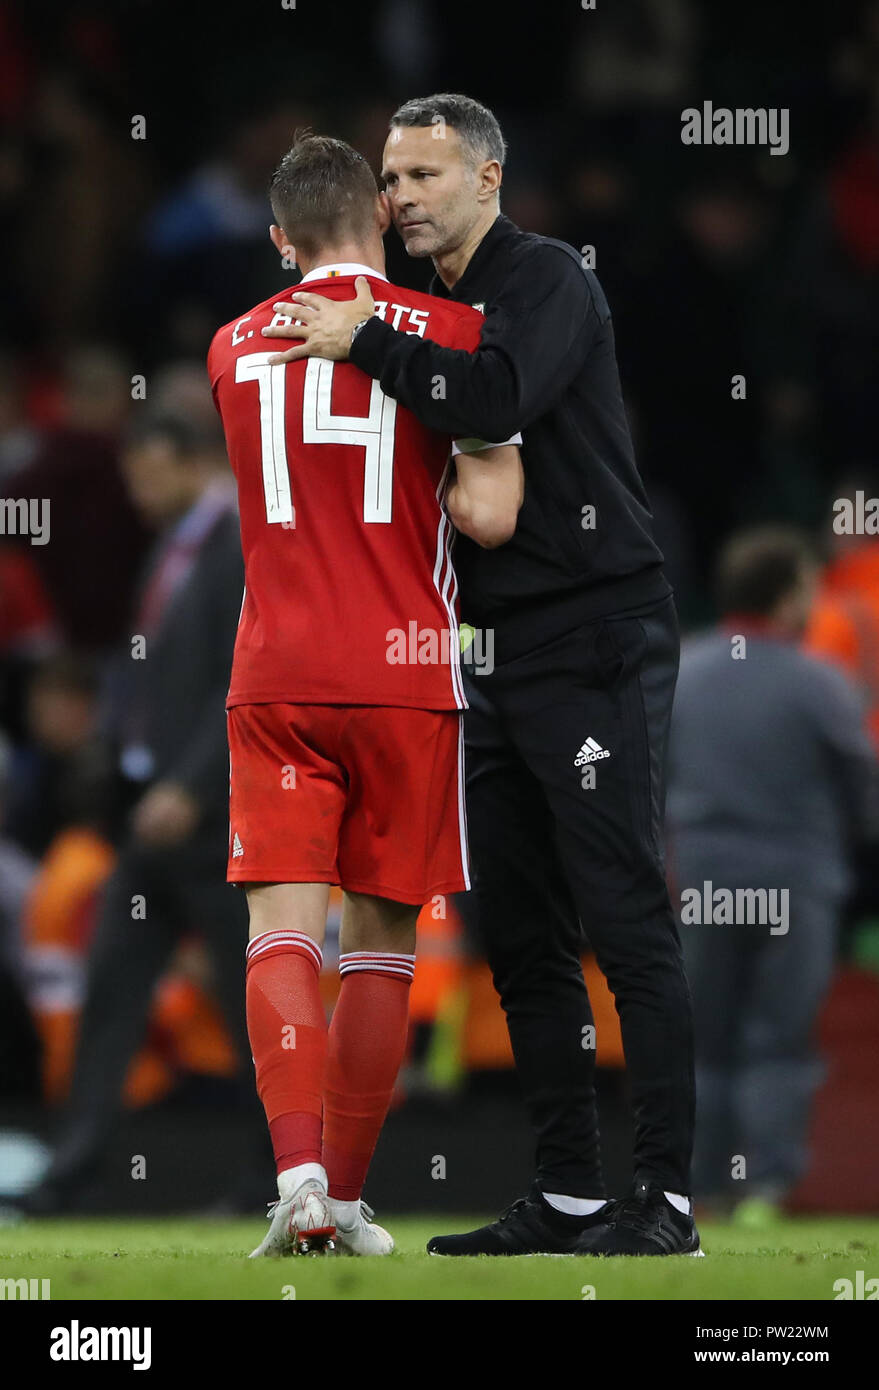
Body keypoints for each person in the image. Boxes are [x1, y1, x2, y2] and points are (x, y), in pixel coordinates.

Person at [263, 93, 698, 1256]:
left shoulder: (544, 279)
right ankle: (564, 1194)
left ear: (489, 179)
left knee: (622, 909)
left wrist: (363, 340)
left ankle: (668, 1197)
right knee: (519, 932)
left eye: (421, 176)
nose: (398, 195)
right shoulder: (431, 309)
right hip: (481, 647)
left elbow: (496, 396)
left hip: (591, 627)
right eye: (391, 178)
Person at [209, 132, 522, 1257]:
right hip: (403, 669)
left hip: (278, 668)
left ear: (280, 237)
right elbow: (491, 514)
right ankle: (341, 1197)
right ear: (382, 219)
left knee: (280, 933)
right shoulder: (457, 334)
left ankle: (293, 1181)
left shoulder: (227, 347)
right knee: (384, 943)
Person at [22, 412, 260, 1213]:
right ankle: (68, 1177)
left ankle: (284, 1181)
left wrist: (192, 787)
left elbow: (243, 677)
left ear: (193, 461)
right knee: (110, 986)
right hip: (153, 817)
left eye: (147, 470)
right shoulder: (173, 546)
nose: (135, 488)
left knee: (252, 1004)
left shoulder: (235, 541)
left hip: (216, 819)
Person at [667, 527, 875, 1221]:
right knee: (778, 1038)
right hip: (795, 882)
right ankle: (765, 1186)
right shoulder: (820, 682)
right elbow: (861, 790)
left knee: (707, 1039)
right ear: (788, 598)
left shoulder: (683, 673)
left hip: (703, 881)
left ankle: (702, 1190)